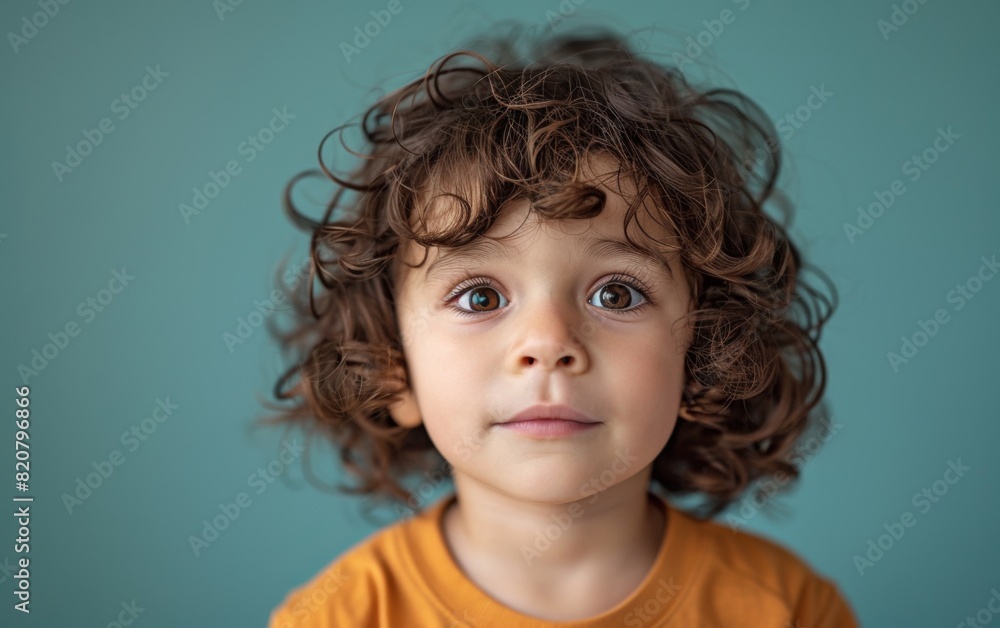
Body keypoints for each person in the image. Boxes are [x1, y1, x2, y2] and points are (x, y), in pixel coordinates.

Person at [263, 24, 858, 627]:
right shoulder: (337, 618)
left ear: (704, 349)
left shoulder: (788, 609)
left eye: (616, 293)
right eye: (479, 297)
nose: (548, 344)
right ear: (393, 370)